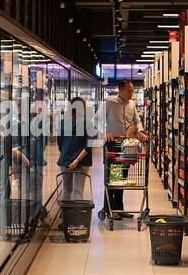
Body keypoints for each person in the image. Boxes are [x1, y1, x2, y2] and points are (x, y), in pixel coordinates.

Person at [100, 80, 146, 217]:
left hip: (128, 145)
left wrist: (141, 131)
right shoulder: (109, 103)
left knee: (123, 178)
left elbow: (137, 121)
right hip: (113, 144)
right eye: (129, 90)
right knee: (113, 178)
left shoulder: (132, 104)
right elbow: (96, 120)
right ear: (120, 90)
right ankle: (109, 210)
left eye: (132, 90)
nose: (132, 93)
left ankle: (119, 209)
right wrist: (105, 132)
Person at [57, 96, 91, 200]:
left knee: (66, 189)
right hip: (83, 162)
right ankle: (77, 215)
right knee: (78, 190)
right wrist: (77, 161)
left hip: (65, 160)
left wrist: (68, 156)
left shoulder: (62, 123)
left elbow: (60, 144)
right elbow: (88, 146)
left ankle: (66, 215)